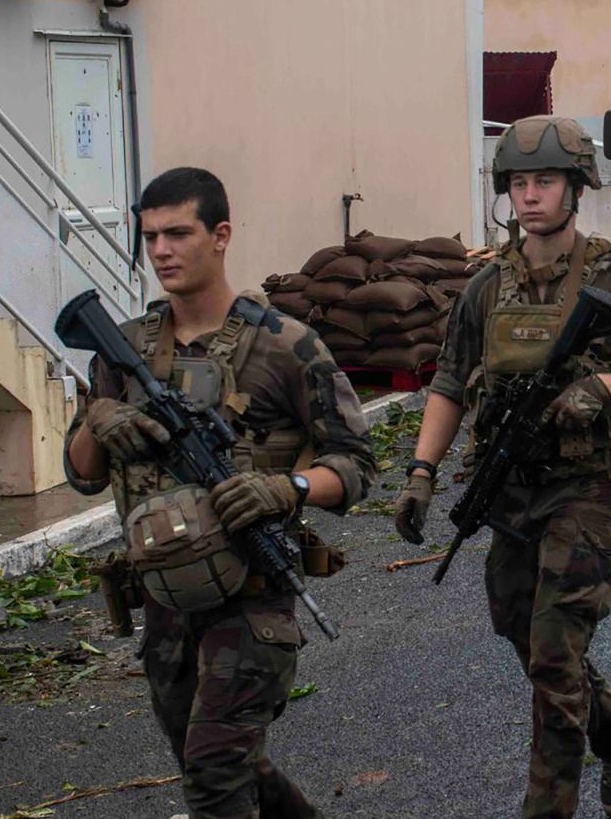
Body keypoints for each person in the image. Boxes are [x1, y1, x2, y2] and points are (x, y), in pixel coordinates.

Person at [392, 115, 611, 819]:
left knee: (555, 661)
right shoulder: (485, 287)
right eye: (520, 183)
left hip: (587, 489)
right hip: (511, 493)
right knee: (522, 634)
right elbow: (448, 381)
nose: (531, 196)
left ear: (575, 187)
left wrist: (603, 389)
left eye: (545, 182)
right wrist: (421, 473)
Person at [63, 167, 377, 818]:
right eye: (150, 237)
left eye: (178, 233)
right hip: (163, 606)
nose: (162, 251)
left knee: (213, 773)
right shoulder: (121, 348)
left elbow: (355, 467)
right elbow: (82, 471)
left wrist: (286, 487)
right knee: (223, 764)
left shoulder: (286, 347)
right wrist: (100, 417)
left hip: (253, 601)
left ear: (222, 235)